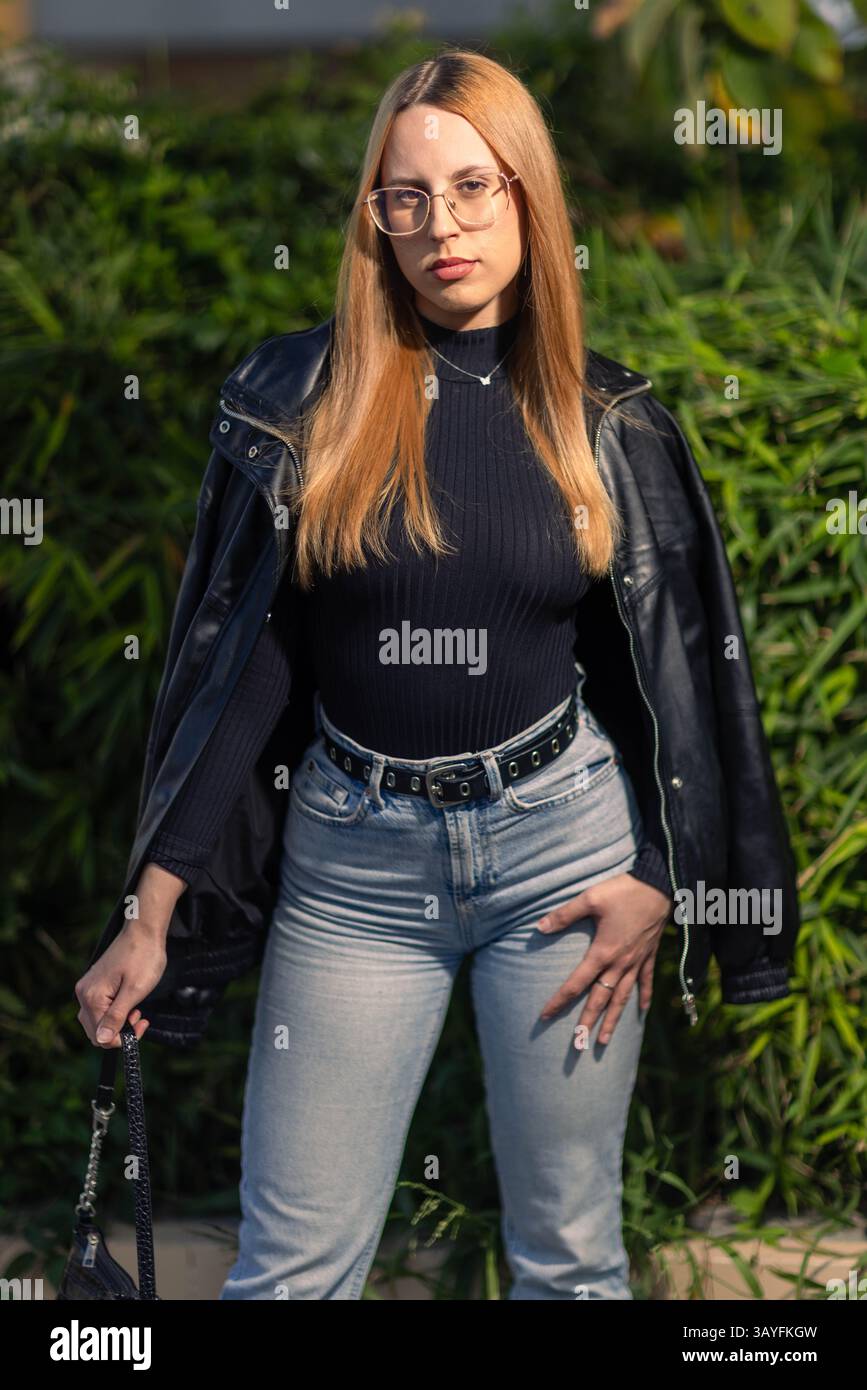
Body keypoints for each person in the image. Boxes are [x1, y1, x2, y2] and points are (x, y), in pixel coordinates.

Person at [75, 50, 799, 1300]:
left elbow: (666, 685)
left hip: (562, 862)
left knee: (570, 1262)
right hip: (354, 868)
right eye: (405, 196)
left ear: (527, 197)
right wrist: (151, 912)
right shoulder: (305, 399)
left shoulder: (610, 420)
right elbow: (250, 670)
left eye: (472, 187)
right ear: (374, 217)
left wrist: (659, 881)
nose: (440, 225)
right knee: (291, 1271)